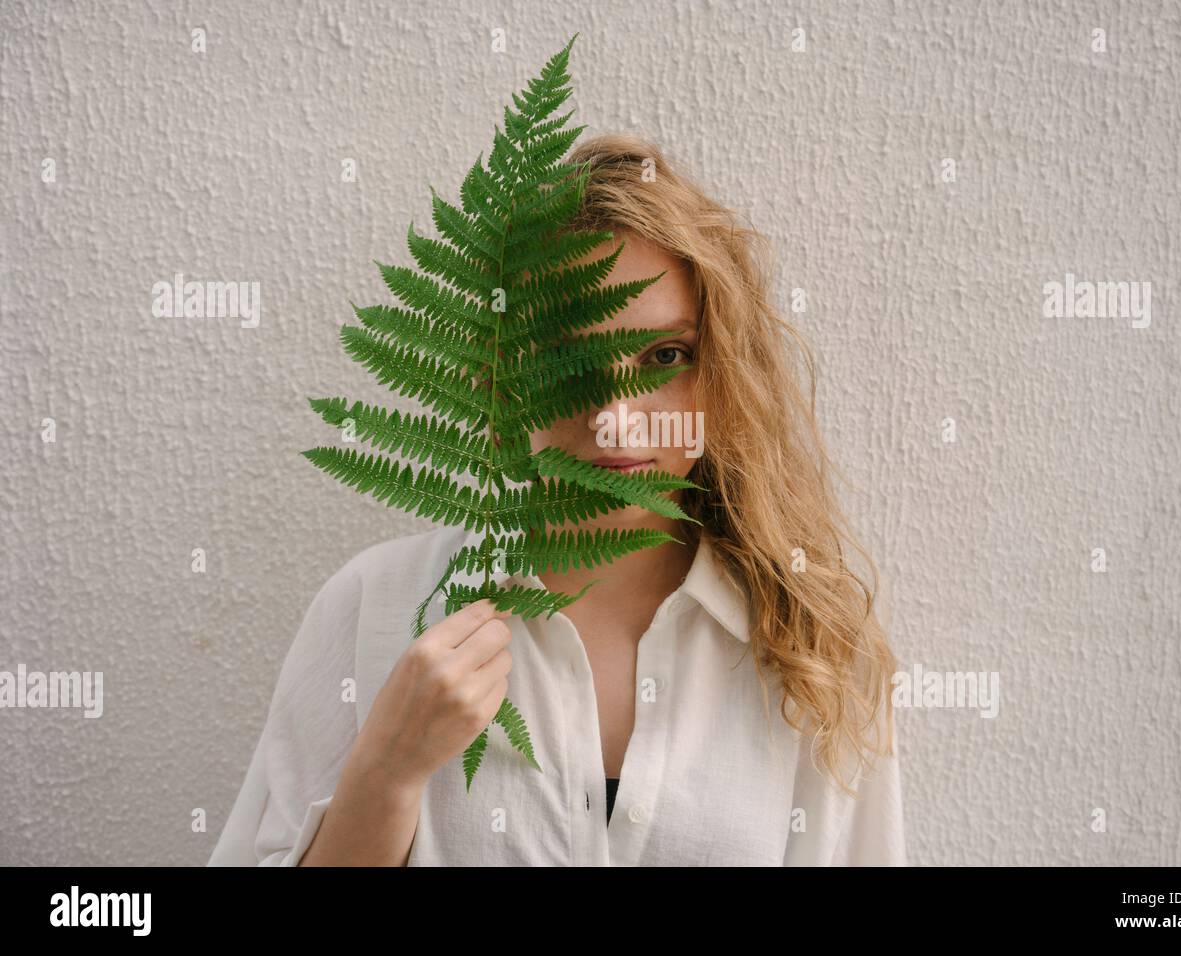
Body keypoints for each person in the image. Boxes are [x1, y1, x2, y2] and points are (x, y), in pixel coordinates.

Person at [207, 133, 905, 866]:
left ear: (724, 372)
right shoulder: (373, 609)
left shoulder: (816, 652)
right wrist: (386, 772)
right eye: (565, 360)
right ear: (503, 381)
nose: (615, 420)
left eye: (665, 357)